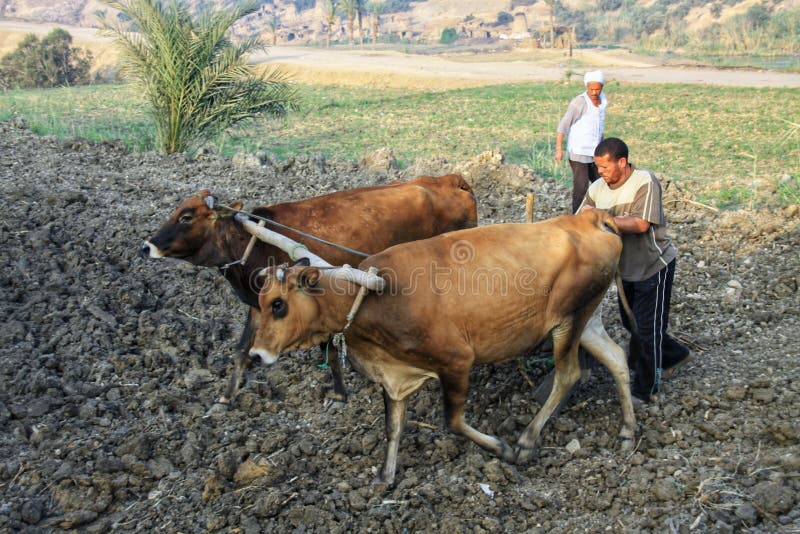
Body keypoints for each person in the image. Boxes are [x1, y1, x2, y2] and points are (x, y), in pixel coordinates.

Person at [579, 137, 690, 404]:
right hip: (624, 269)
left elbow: (641, 224)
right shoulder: (596, 188)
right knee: (631, 323)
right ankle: (675, 354)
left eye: (605, 167)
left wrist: (602, 218)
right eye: (597, 167)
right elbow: (580, 217)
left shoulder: (644, 181)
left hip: (653, 265)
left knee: (647, 329)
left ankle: (646, 387)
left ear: (622, 162)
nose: (600, 172)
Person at [556, 70, 607, 213]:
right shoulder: (579, 103)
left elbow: (599, 128)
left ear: (602, 88)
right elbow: (563, 125)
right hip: (579, 151)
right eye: (591, 89)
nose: (594, 92)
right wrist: (559, 149)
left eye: (597, 89)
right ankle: (576, 217)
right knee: (581, 186)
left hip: (595, 152)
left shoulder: (603, 101)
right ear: (587, 87)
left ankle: (597, 215)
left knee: (600, 183)